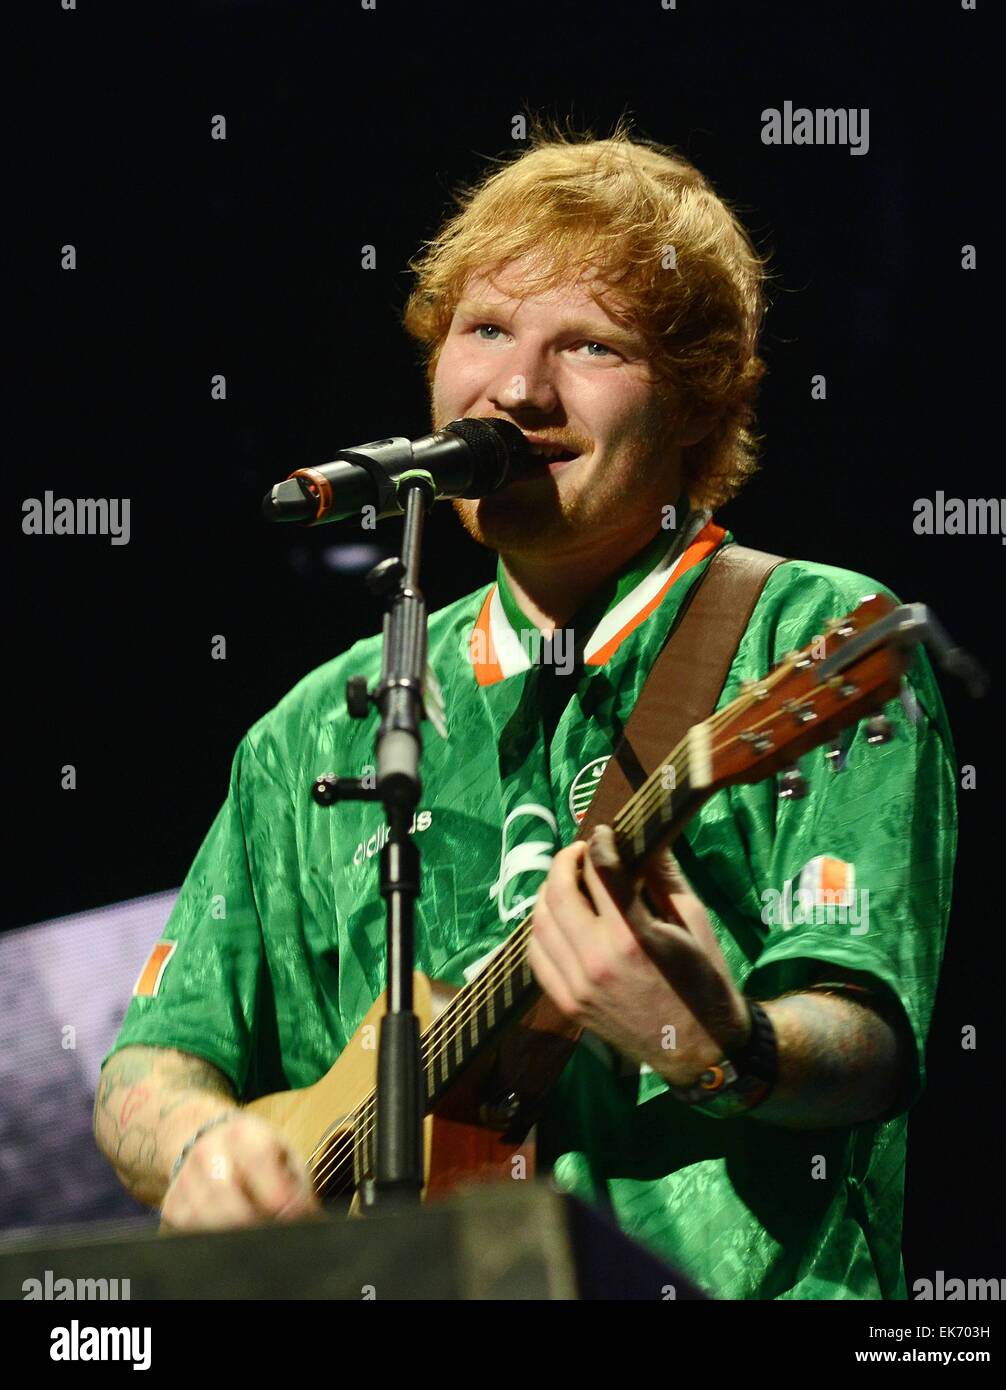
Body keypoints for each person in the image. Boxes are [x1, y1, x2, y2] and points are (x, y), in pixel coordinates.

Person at [94, 121, 957, 1300]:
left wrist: (718, 1046)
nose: (515, 389)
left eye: (589, 345)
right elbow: (148, 1060)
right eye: (486, 328)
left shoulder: (802, 633)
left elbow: (868, 1040)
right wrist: (202, 1145)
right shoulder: (307, 730)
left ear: (696, 406)